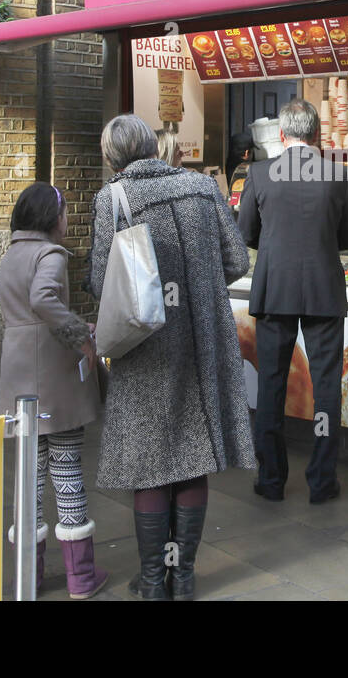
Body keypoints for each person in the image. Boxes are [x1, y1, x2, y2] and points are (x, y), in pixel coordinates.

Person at [89, 114, 254, 600]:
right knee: (191, 458)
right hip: (203, 339)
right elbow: (237, 260)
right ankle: (183, 579)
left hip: (146, 347)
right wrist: (199, 287)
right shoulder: (202, 189)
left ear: (111, 156)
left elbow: (102, 282)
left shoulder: (114, 198)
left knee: (150, 462)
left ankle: (154, 584)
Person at [236, 98, 348, 504]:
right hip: (325, 290)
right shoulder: (338, 175)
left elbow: (246, 235)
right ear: (317, 135)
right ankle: (322, 482)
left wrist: (275, 248)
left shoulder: (259, 173)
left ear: (282, 135)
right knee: (326, 389)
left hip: (275, 289)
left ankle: (271, 480)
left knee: (271, 385)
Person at [0, 182, 108, 600]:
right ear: (49, 217)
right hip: (53, 375)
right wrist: (80, 334)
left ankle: (30, 577)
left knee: (30, 477)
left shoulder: (12, 254)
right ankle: (81, 578)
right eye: (63, 212)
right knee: (67, 469)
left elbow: (28, 306)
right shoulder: (51, 255)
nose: (66, 220)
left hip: (18, 369)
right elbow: (43, 298)